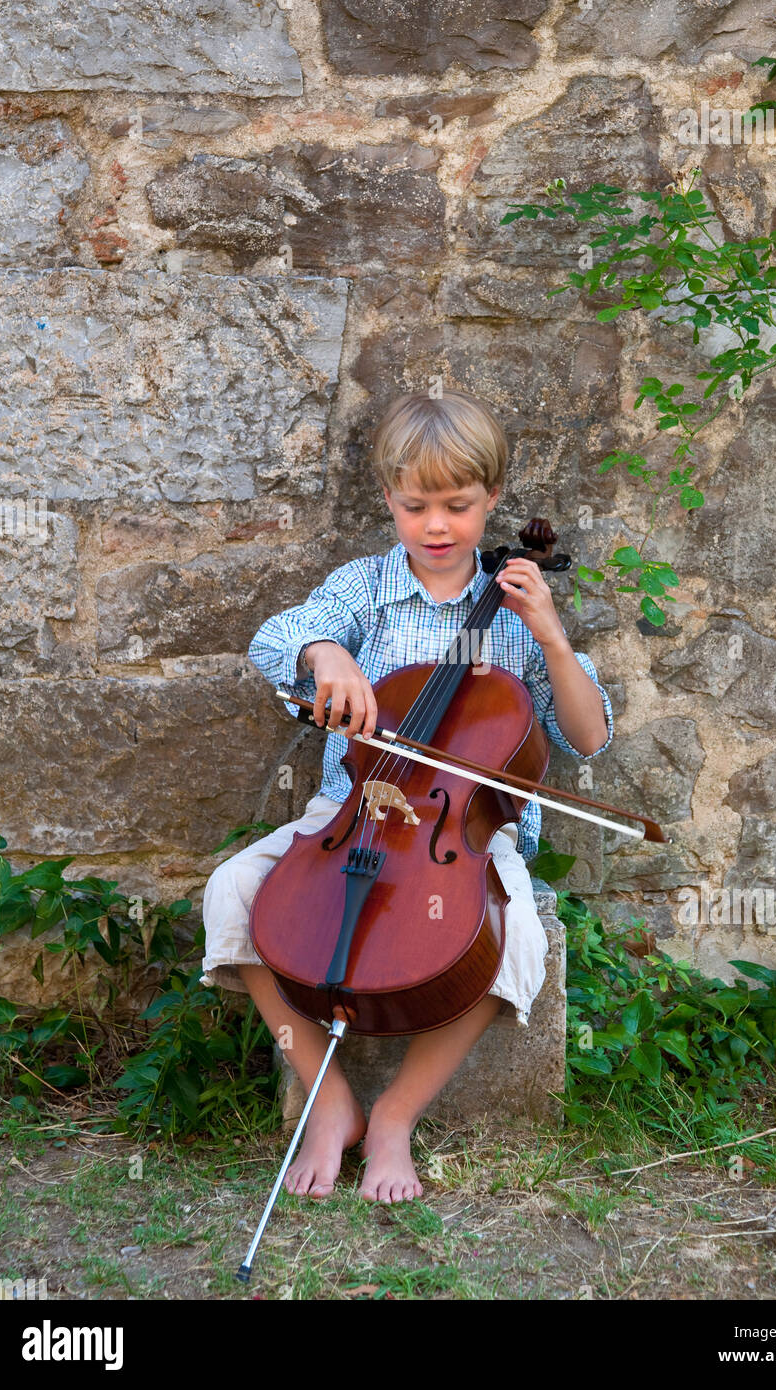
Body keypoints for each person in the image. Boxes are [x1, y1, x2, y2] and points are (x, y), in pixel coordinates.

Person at [201, 388, 614, 1203]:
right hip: (349, 812)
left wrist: (553, 640)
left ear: (490, 498)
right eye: (414, 505)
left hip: (463, 831)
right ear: (388, 498)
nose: (435, 525)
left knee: (509, 946)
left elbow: (586, 736)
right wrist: (328, 657)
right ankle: (327, 1099)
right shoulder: (363, 587)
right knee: (232, 893)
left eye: (457, 507)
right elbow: (275, 637)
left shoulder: (515, 611)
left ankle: (394, 1116)